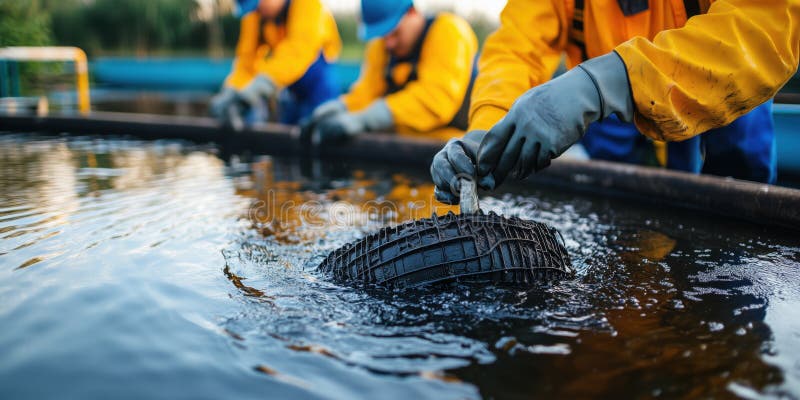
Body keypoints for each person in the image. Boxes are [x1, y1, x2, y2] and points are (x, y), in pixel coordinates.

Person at [431, 0, 800, 204]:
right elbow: (515, 50)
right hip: (607, 117)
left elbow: (768, 24)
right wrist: (487, 127)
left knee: (735, 227)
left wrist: (609, 82)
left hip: (727, 89)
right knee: (620, 216)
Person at [303, 0, 478, 145]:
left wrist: (365, 119)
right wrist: (340, 107)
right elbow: (368, 91)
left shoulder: (450, 30)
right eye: (383, 36)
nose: (389, 44)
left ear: (412, 12)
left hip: (457, 146)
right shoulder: (382, 44)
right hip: (409, 146)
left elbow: (435, 100)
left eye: (394, 33)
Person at [209, 0, 341, 128]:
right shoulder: (255, 13)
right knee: (288, 137)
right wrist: (232, 90)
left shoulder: (308, 3)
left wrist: (262, 84)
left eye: (260, 3)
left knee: (320, 135)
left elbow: (298, 52)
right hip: (290, 90)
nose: (259, 10)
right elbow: (246, 60)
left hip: (319, 87)